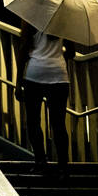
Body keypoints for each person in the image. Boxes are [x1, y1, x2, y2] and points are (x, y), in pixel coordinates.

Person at [14, 18, 75, 181]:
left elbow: (23, 50)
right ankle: (63, 167)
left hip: (35, 75)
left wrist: (18, 81)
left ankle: (40, 162)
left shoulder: (30, 19)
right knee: (58, 124)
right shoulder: (63, 21)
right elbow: (71, 53)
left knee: (33, 122)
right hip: (59, 75)